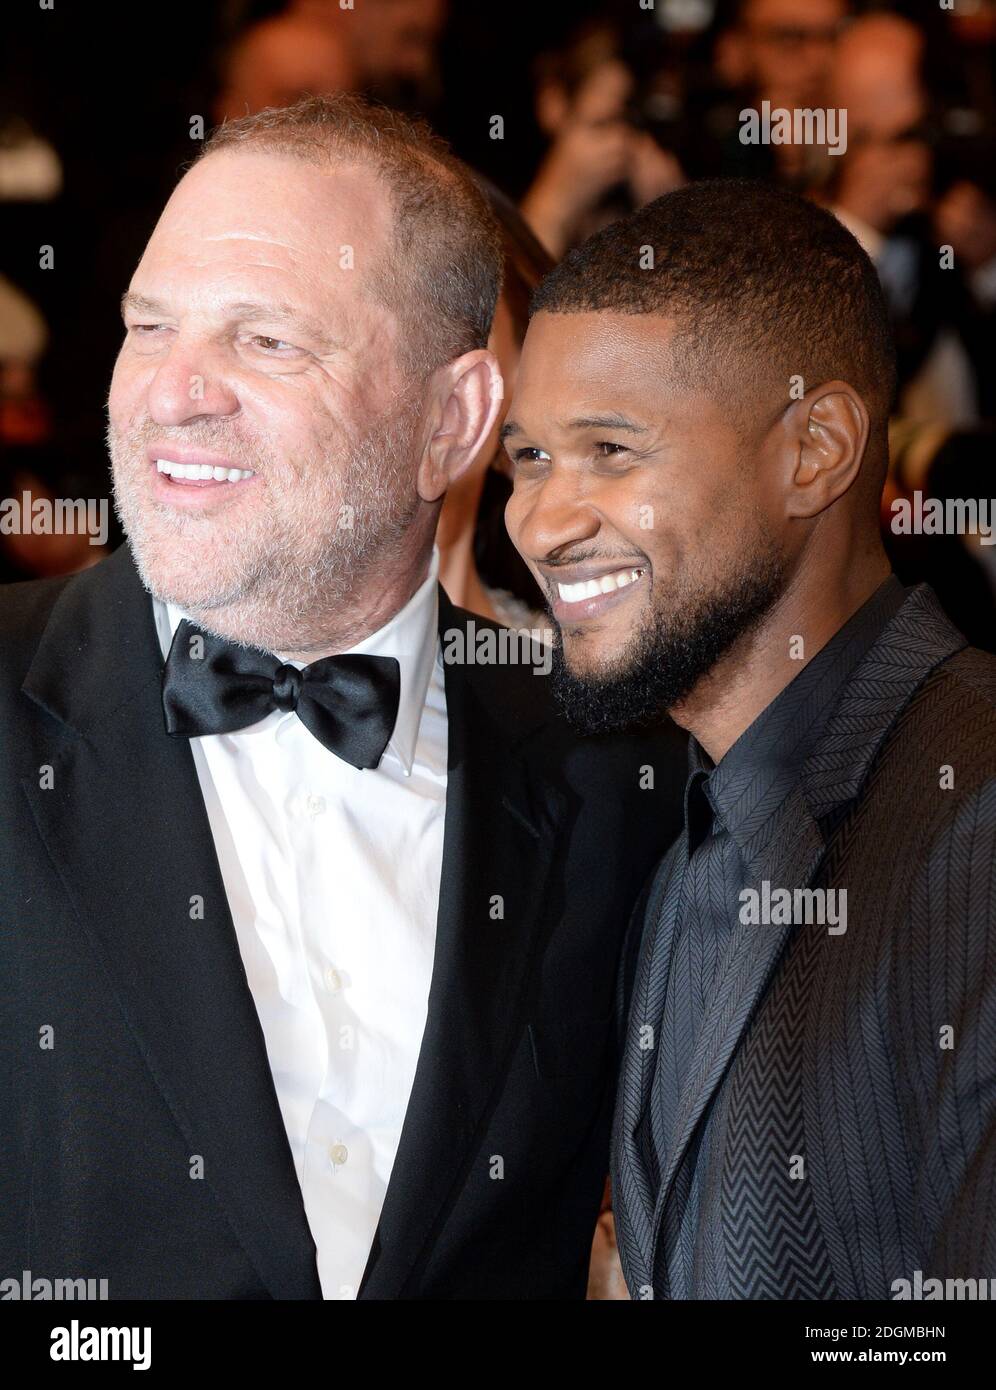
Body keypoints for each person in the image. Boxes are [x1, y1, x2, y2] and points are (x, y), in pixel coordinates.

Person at [0, 95, 687, 1300]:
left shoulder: (625, 772)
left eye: (266, 342)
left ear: (452, 419)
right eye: (149, 326)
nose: (174, 392)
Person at [503, 179, 996, 1299]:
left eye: (611, 450)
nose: (541, 519)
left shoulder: (978, 811)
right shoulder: (685, 856)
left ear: (815, 449)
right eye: (527, 458)